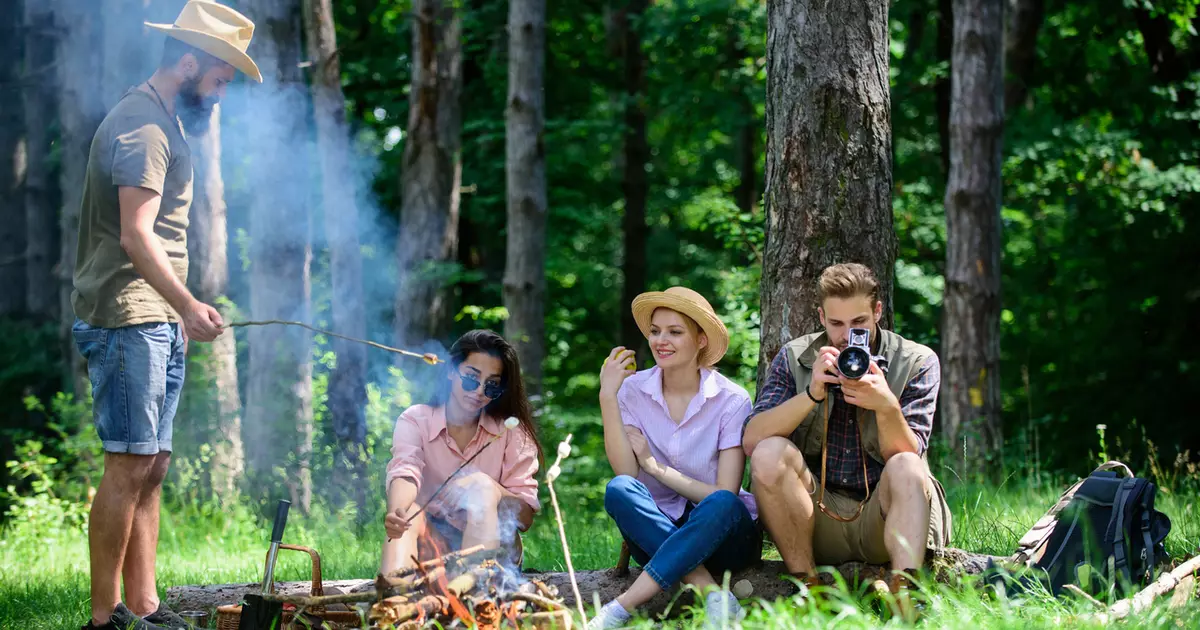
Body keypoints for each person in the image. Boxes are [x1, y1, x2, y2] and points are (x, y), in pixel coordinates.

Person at [70, 3, 262, 629]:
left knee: (152, 464)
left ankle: (144, 608)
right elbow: (135, 235)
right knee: (128, 462)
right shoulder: (143, 127)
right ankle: (105, 618)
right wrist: (186, 303)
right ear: (188, 62)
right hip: (128, 317)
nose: (222, 93)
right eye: (221, 79)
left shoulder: (165, 122)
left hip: (155, 318)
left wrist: (177, 311)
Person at [741, 263, 952, 614]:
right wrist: (811, 394)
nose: (846, 336)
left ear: (878, 312)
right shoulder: (797, 357)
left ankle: (904, 593)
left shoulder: (916, 361)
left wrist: (885, 406)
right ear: (821, 317)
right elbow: (752, 440)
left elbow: (910, 458)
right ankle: (808, 589)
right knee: (768, 453)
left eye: (858, 324)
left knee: (906, 464)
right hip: (814, 517)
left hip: (886, 518)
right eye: (836, 324)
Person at [588, 287, 761, 630]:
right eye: (655, 331)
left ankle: (619, 609)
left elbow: (723, 493)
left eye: (675, 332)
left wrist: (655, 468)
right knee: (619, 488)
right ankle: (713, 595)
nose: (660, 341)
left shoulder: (731, 399)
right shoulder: (632, 390)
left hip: (723, 536)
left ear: (700, 340)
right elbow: (625, 472)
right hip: (656, 530)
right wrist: (608, 395)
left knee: (724, 502)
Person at [381, 330, 544, 574]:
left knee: (482, 487)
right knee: (412, 513)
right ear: (450, 371)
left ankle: (475, 596)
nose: (479, 391)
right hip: (430, 548)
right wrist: (398, 512)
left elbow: (525, 519)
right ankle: (394, 598)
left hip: (496, 552)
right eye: (471, 378)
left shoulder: (511, 431)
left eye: (491, 385)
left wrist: (489, 489)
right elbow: (406, 469)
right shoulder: (416, 419)